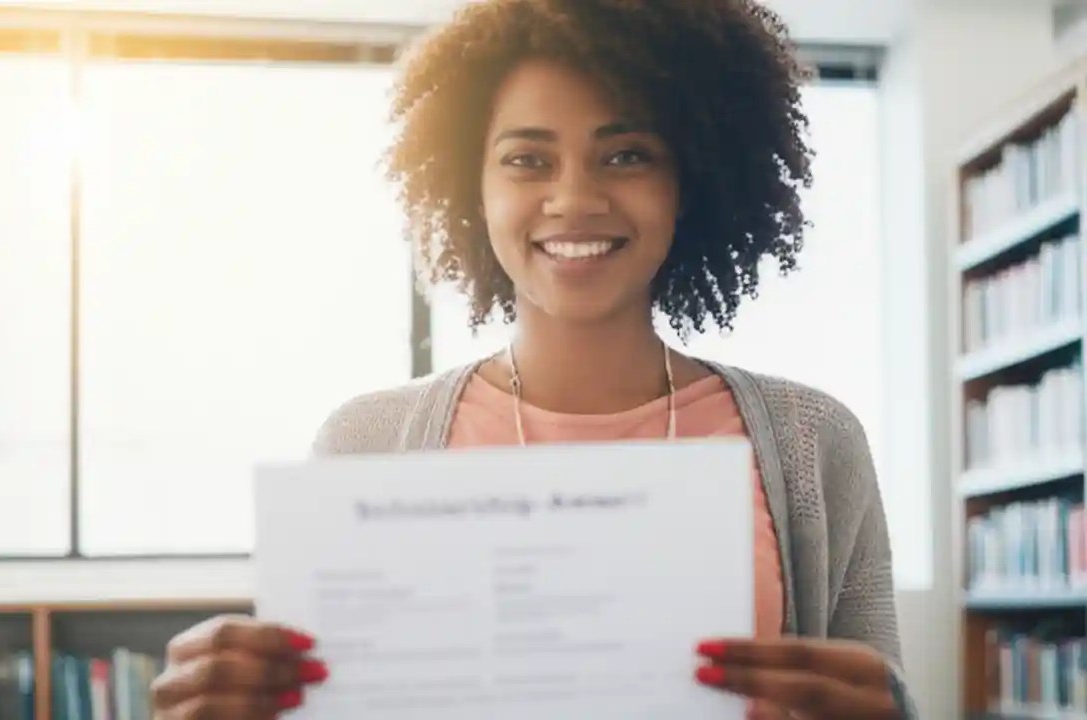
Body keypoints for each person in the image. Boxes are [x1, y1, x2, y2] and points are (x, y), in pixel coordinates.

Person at [151, 1, 916, 718]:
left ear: (691, 183)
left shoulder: (814, 441)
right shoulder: (364, 442)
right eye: (527, 160)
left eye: (626, 155)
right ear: (470, 188)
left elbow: (876, 687)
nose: (574, 197)